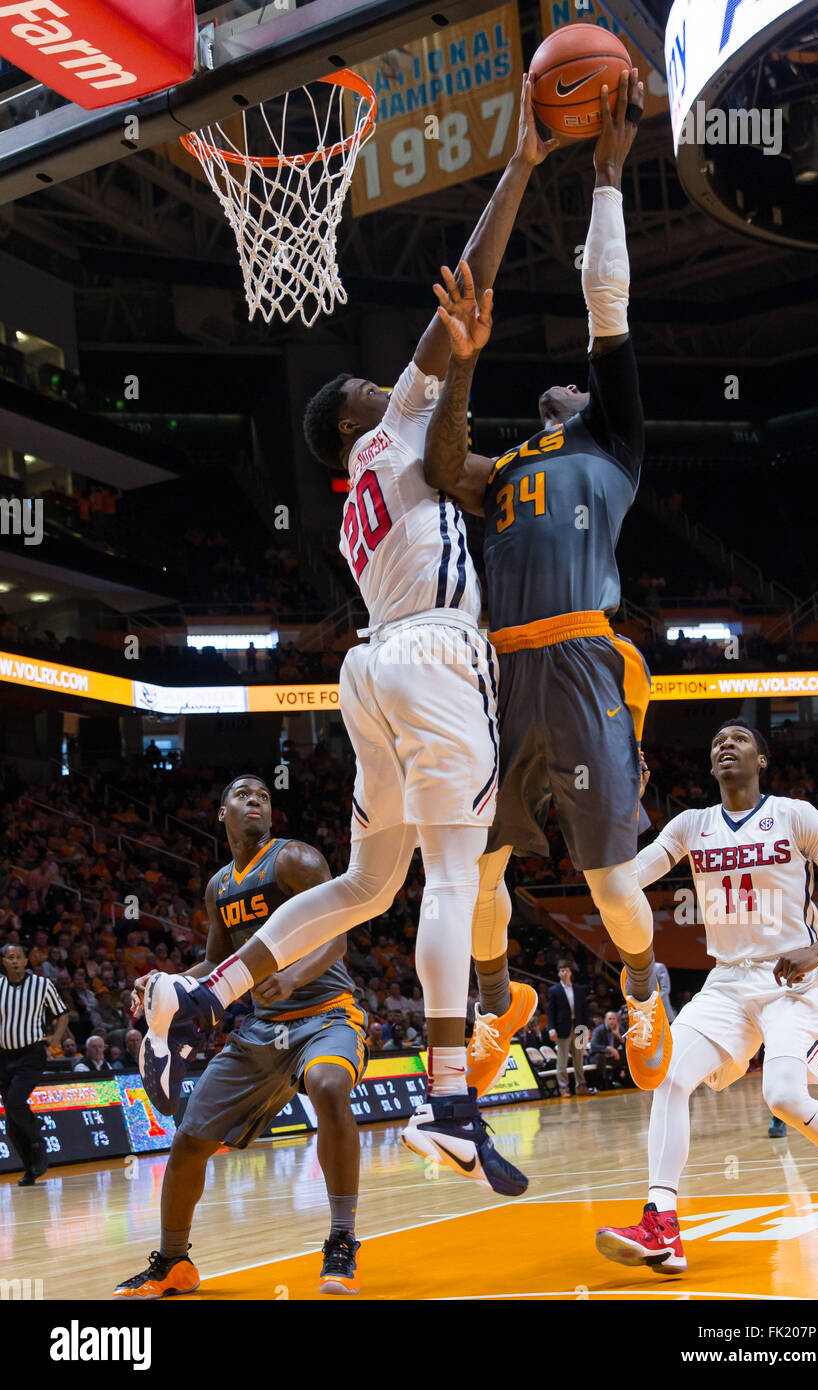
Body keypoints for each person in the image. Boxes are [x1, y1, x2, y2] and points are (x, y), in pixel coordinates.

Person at [138, 81, 560, 1197]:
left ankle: (202, 990)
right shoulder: (388, 429)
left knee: (369, 886)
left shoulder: (358, 494)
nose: (397, 382)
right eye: (378, 387)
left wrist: (504, 413)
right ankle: (450, 1102)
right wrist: (518, 165)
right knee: (450, 875)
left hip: (370, 668)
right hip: (429, 660)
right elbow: (460, 291)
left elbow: (463, 458)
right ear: (350, 422)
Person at [421, 68, 671, 1097]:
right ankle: (497, 1000)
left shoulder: (609, 439)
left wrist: (605, 173)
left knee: (610, 876)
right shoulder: (511, 465)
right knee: (475, 869)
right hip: (498, 673)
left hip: (574, 658)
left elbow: (603, 305)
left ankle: (643, 989)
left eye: (573, 374)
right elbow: (442, 466)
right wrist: (465, 363)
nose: (565, 374)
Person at [595, 720, 818, 1275]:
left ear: (761, 760)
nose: (725, 744)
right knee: (669, 1077)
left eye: (739, 738)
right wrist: (628, 806)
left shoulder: (795, 815)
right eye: (718, 740)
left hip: (792, 982)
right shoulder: (692, 825)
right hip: (726, 984)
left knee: (785, 1098)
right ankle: (662, 1223)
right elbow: (625, 879)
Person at [118, 775, 370, 1298]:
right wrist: (167, 983)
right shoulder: (219, 886)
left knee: (327, 1085)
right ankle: (173, 1263)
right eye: (243, 794)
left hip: (327, 1015)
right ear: (222, 814)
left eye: (263, 795)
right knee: (188, 1140)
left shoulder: (295, 859)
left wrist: (293, 976)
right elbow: (216, 961)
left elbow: (338, 934)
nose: (255, 800)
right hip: (260, 1029)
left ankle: (342, 1240)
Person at [0, 942, 68, 1185]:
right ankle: (31, 1170)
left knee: (16, 1103)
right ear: (4, 962)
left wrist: (56, 1038)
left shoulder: (41, 985)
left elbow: (62, 1013)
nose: (15, 961)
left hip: (31, 1054)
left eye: (19, 957)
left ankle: (37, 1134)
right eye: (10, 958)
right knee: (11, 1121)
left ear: (26, 961)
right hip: (3, 1056)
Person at [546, 960, 591, 1096]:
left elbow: (584, 1011)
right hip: (561, 1029)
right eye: (562, 970)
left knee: (579, 1059)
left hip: (578, 1028)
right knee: (562, 1060)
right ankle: (564, 1089)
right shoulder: (554, 990)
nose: (564, 972)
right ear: (559, 974)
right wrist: (551, 1028)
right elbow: (550, 1011)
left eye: (566, 970)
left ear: (571, 972)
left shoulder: (579, 990)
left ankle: (581, 1087)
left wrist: (586, 1028)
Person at [589, 1010, 629, 1090]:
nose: (612, 1021)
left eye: (614, 1019)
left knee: (628, 1055)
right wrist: (609, 1049)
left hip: (612, 1058)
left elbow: (628, 1044)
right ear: (605, 1020)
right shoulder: (598, 1030)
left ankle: (627, 1082)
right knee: (600, 1057)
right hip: (599, 1057)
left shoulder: (620, 1029)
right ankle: (603, 1083)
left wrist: (618, 1036)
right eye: (610, 1019)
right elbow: (593, 1046)